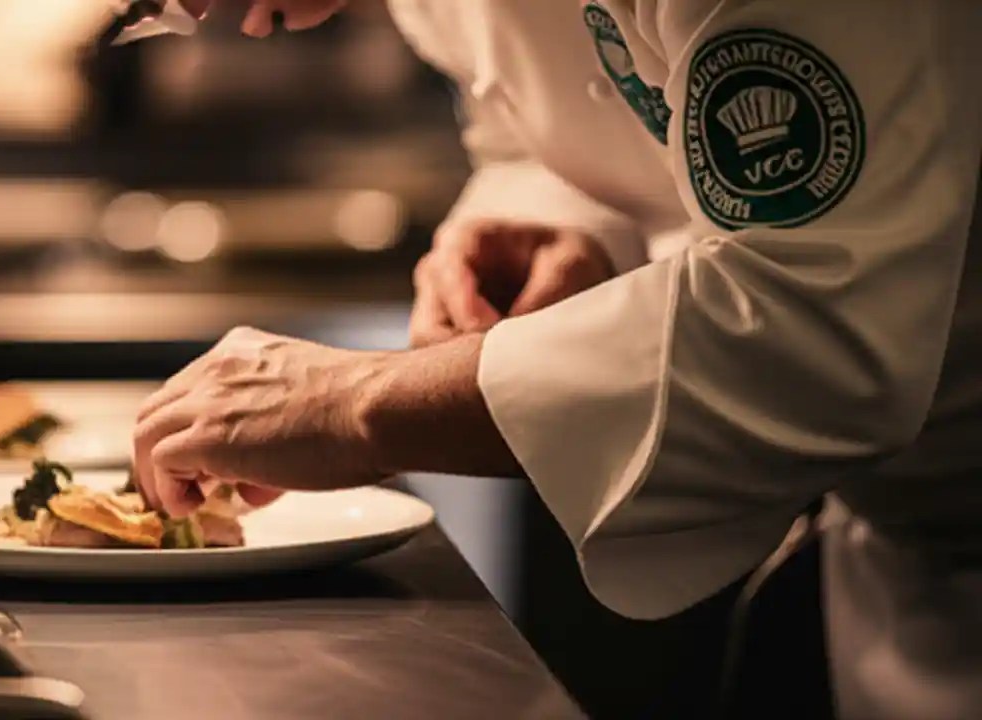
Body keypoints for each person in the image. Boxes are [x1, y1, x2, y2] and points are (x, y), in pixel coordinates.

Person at [137, 2, 982, 717]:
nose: (215, 21)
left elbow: (816, 330)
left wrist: (357, 404)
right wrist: (576, 228)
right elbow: (565, 128)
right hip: (899, 560)